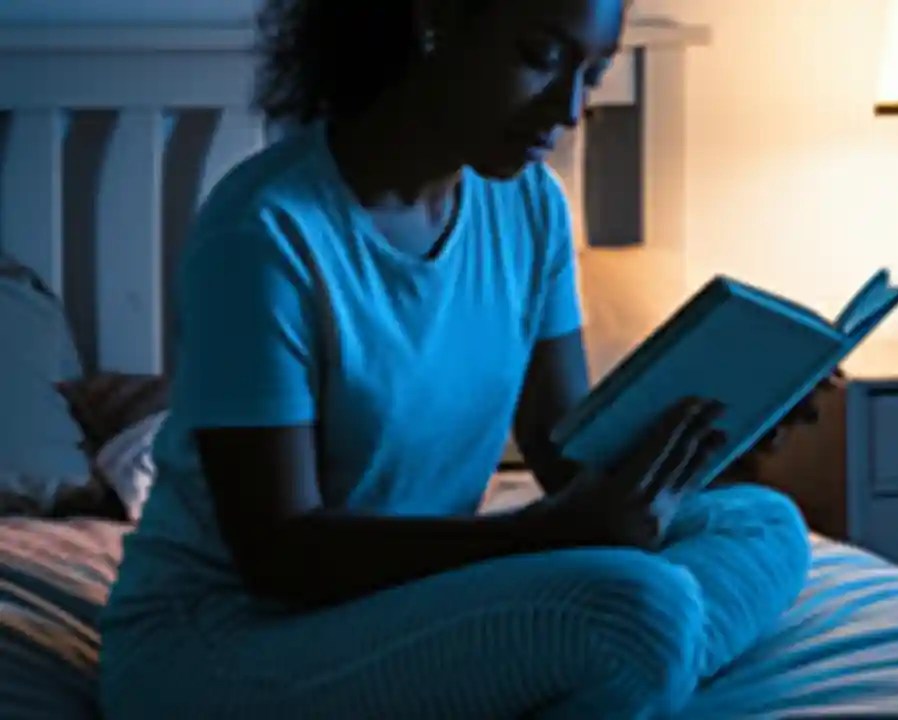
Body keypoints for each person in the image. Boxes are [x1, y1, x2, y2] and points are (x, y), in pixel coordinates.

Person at [97, 1, 815, 718]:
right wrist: (540, 538)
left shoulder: (531, 206)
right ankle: (625, 666)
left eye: (592, 77)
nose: (569, 110)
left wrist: (714, 434)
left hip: (414, 600)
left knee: (760, 523)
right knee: (639, 613)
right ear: (436, 18)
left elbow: (570, 464)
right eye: (541, 57)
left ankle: (615, 671)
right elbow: (279, 555)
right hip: (230, 639)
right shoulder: (266, 231)